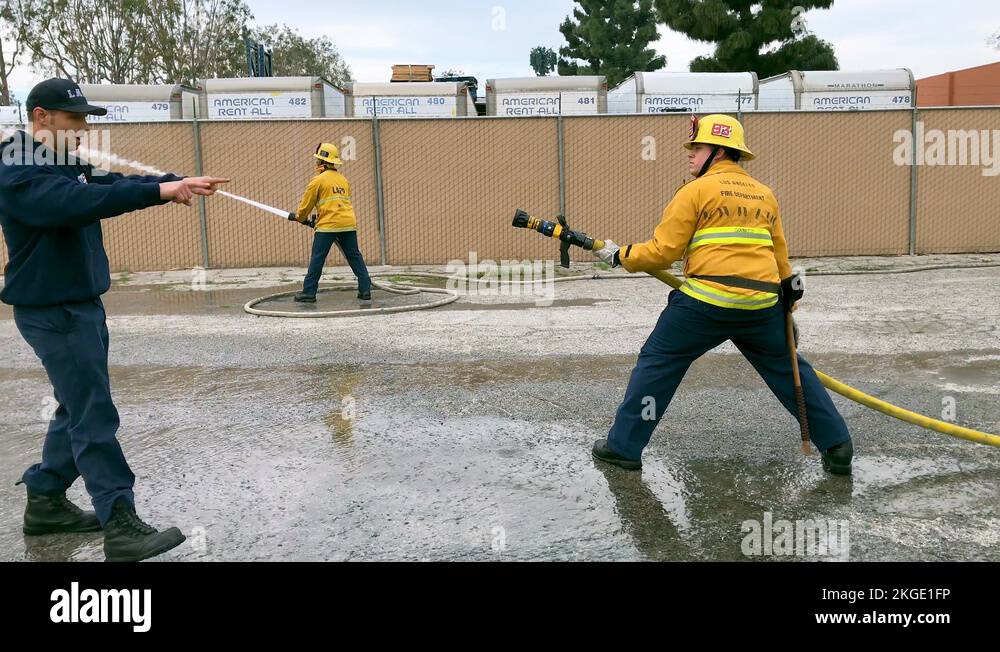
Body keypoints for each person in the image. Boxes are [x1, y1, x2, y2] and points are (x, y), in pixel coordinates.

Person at [0, 78, 230, 561]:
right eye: (75, 119)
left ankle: (45, 501)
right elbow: (75, 204)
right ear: (42, 117)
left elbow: (108, 185)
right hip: (53, 308)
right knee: (92, 412)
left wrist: (172, 182)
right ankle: (119, 521)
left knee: (77, 405)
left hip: (80, 304)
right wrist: (162, 191)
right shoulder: (16, 167)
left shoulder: (62, 164)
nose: (84, 129)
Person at [589, 114, 854, 475]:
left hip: (704, 304)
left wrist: (621, 256)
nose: (690, 155)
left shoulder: (694, 191)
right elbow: (780, 258)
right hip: (761, 307)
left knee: (658, 363)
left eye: (696, 147)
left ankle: (623, 448)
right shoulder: (764, 194)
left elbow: (663, 251)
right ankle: (838, 445)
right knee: (789, 369)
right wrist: (787, 310)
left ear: (718, 150)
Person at [290, 143, 373, 305]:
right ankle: (365, 289)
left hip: (328, 226)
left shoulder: (317, 181)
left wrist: (300, 218)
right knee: (354, 256)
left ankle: (309, 292)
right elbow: (339, 203)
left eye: (318, 160)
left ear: (321, 162)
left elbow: (306, 206)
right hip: (348, 223)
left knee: (318, 258)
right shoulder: (343, 180)